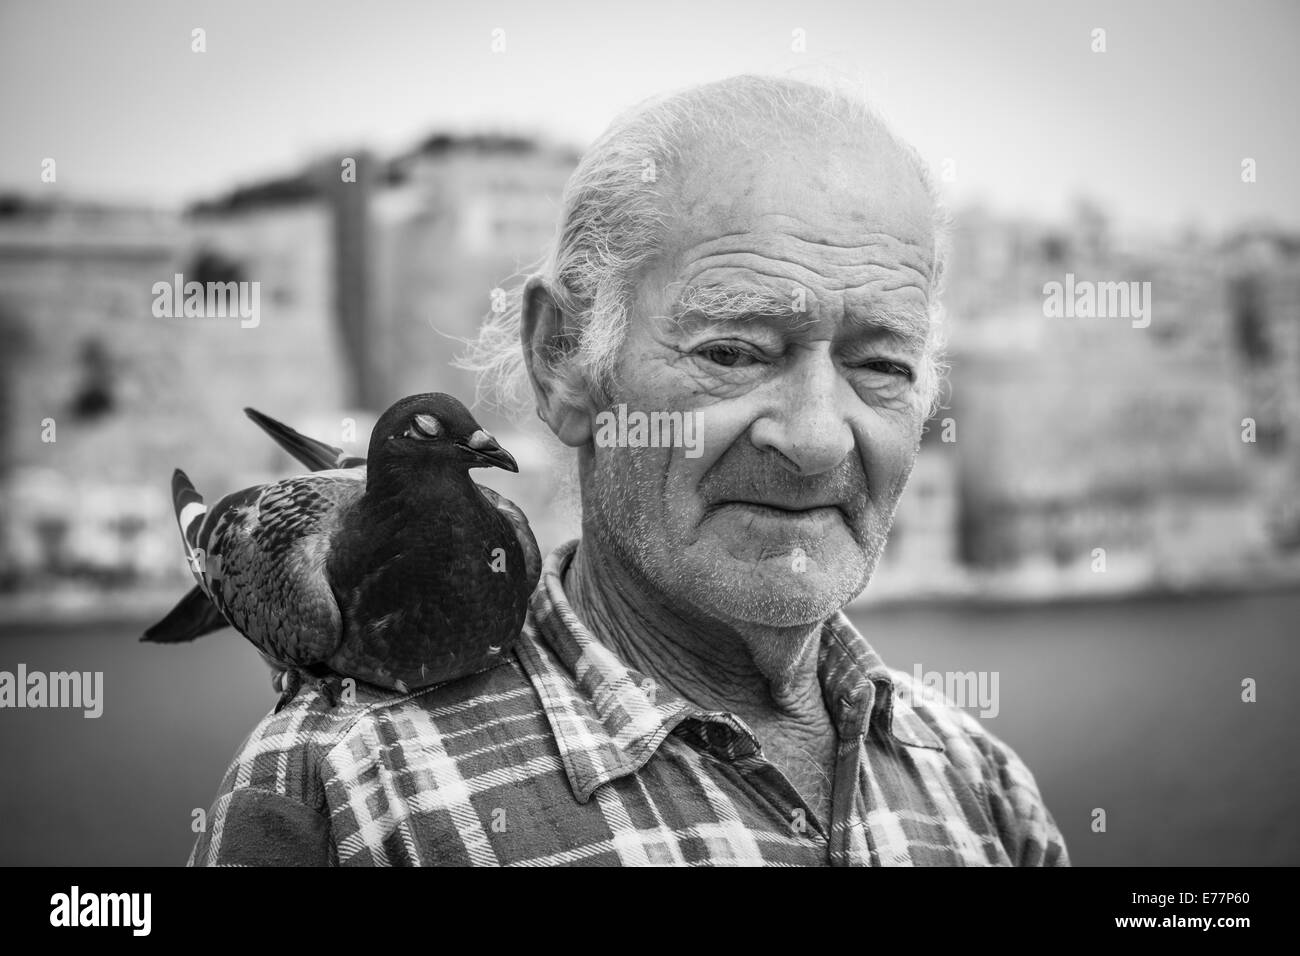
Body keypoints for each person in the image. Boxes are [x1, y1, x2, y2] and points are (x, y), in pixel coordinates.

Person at [189, 75, 1069, 866]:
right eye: (732, 351)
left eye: (881, 366)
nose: (815, 440)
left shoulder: (985, 794)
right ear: (565, 360)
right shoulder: (333, 799)